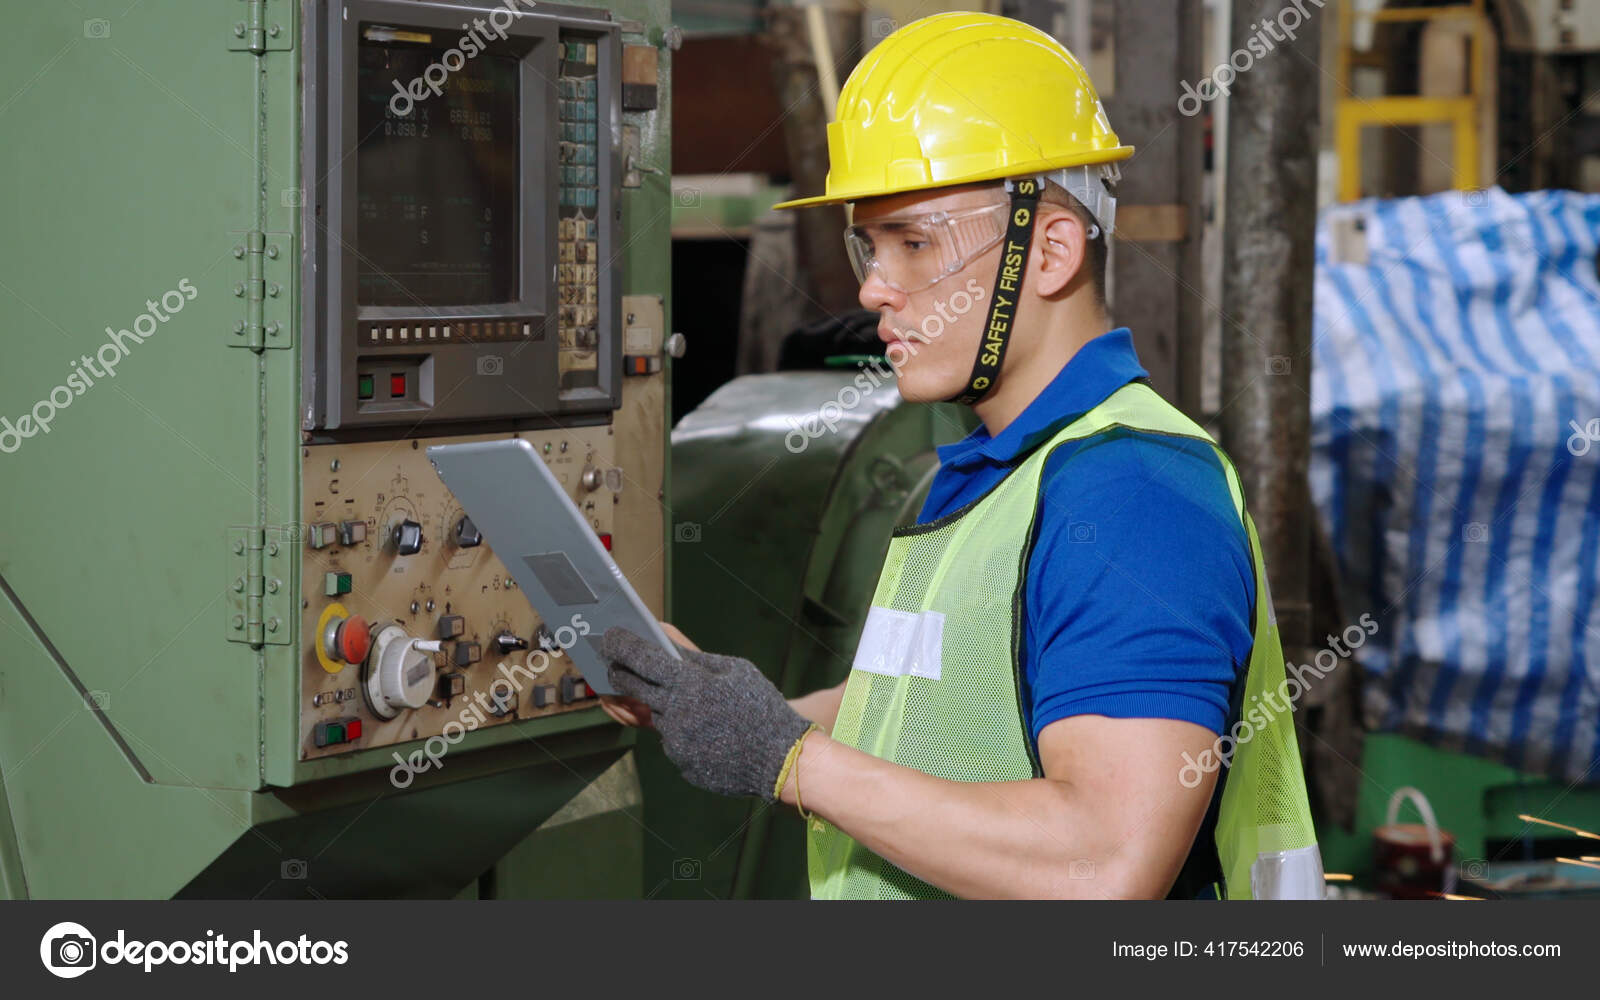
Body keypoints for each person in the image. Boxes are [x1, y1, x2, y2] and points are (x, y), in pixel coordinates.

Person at [599, 11, 1321, 900]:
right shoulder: (987, 475)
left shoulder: (1135, 491)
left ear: (1049, 249)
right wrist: (718, 710)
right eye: (870, 245)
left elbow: (1104, 861)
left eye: (916, 242)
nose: (872, 287)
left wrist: (791, 761)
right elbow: (929, 719)